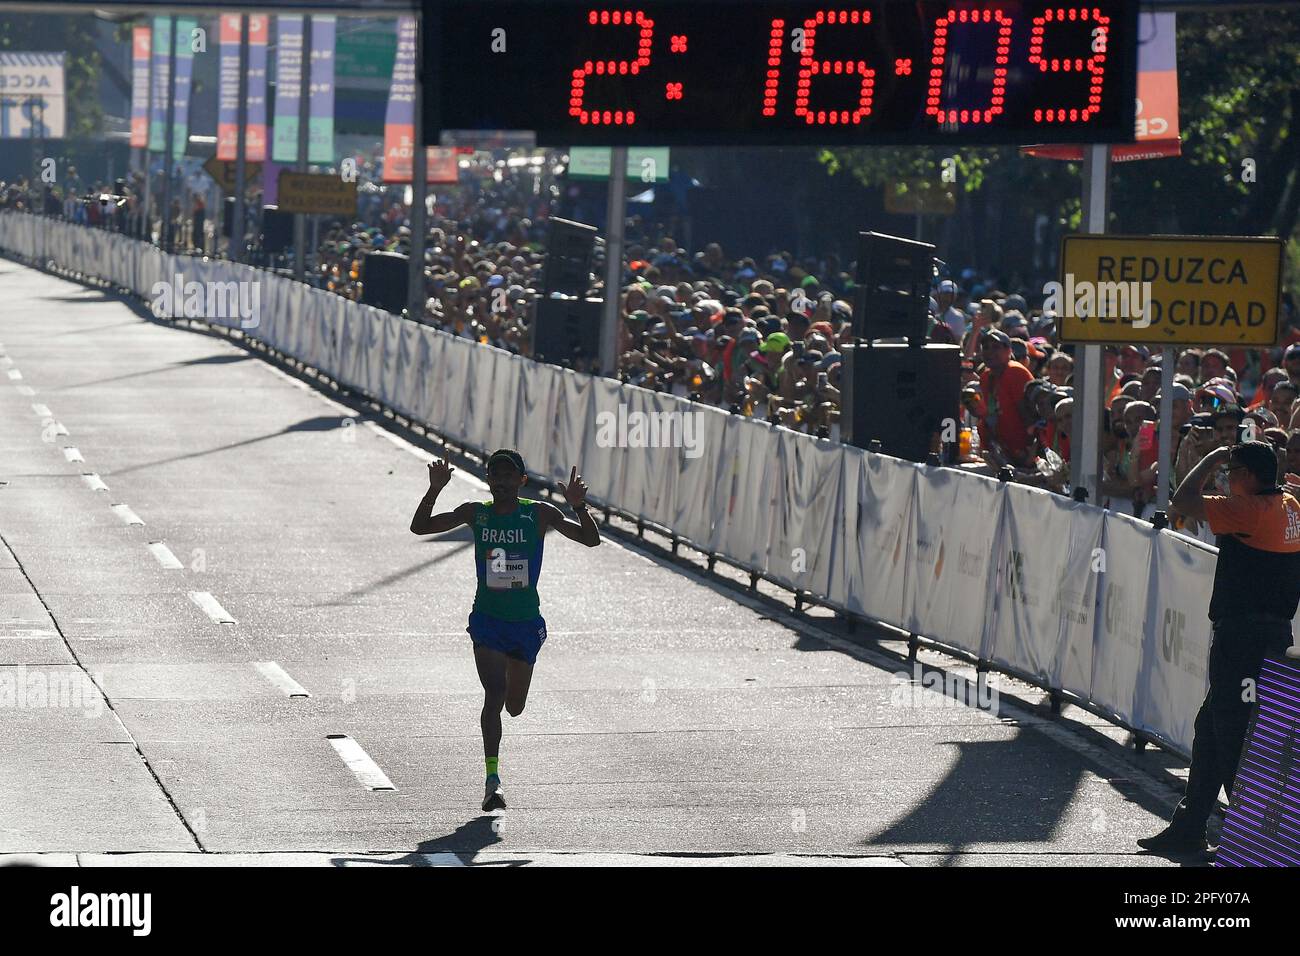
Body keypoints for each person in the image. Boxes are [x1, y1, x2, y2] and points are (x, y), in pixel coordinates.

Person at [409, 449, 601, 811]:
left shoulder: (538, 513)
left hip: (526, 623)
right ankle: (492, 780)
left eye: (509, 476)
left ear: (522, 481)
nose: (502, 482)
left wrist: (579, 506)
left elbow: (590, 540)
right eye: (495, 476)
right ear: (487, 480)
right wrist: (434, 490)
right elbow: (420, 527)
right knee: (493, 694)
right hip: (488, 621)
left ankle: (494, 769)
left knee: (514, 706)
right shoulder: (476, 513)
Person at [1138, 441, 1300, 854]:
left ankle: (1258, 839)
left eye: (1231, 473)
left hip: (1242, 638)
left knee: (1232, 735)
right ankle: (1191, 825)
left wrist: (1209, 459)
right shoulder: (1289, 506)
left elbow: (1183, 499)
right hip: (1272, 637)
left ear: (1246, 475)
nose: (1226, 482)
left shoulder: (1249, 511)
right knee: (1211, 729)